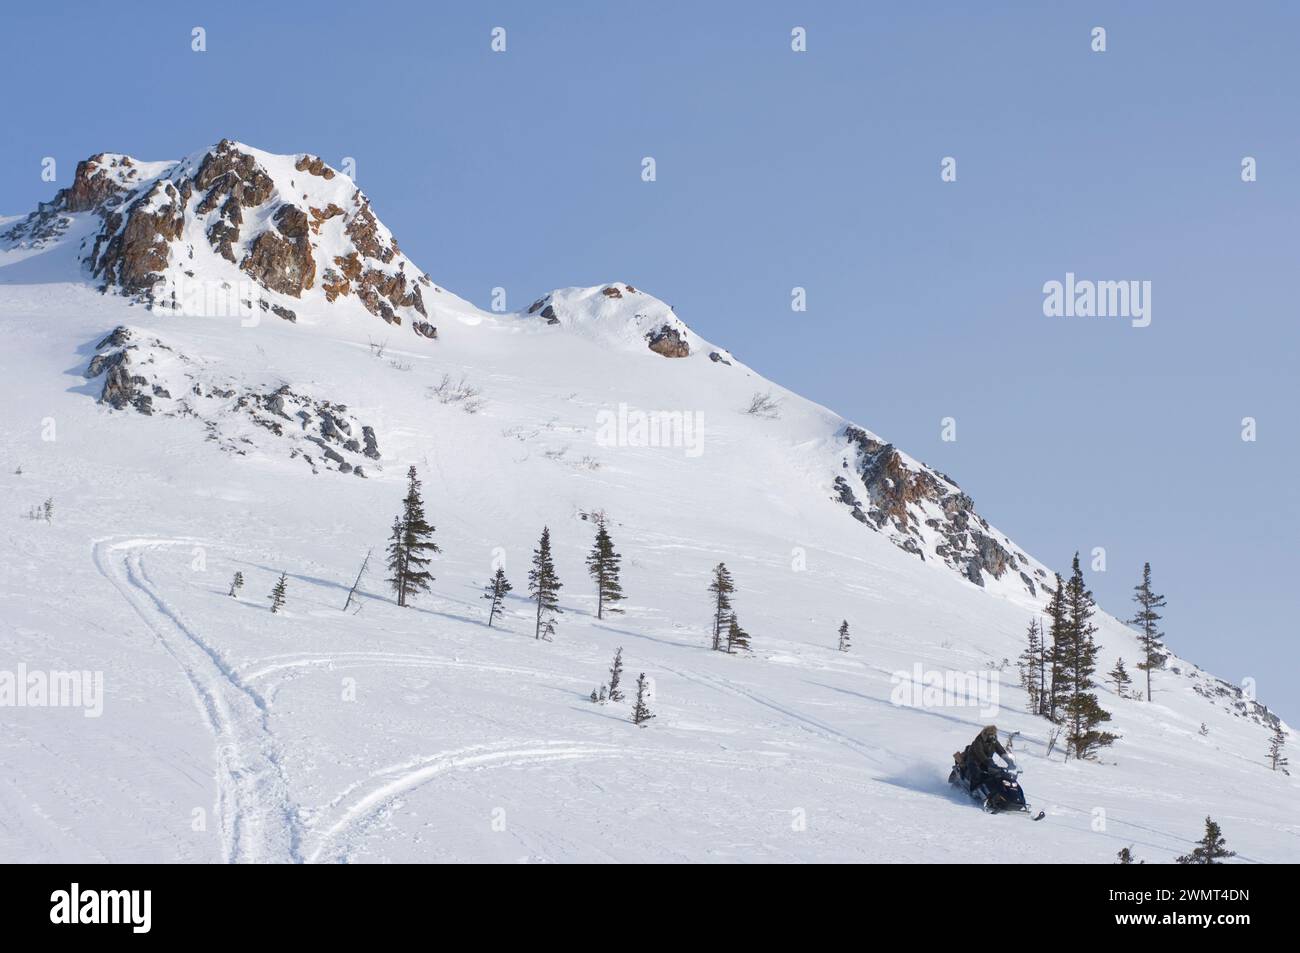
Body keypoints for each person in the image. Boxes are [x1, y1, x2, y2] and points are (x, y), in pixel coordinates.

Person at [963, 725, 1015, 793]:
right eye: (990, 735)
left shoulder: (994, 741)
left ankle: (998, 791)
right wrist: (988, 761)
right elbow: (980, 753)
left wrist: (1009, 761)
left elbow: (1001, 750)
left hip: (987, 760)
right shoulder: (979, 741)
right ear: (986, 735)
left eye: (993, 735)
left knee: (998, 773)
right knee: (976, 774)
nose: (992, 737)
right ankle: (973, 790)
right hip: (974, 760)